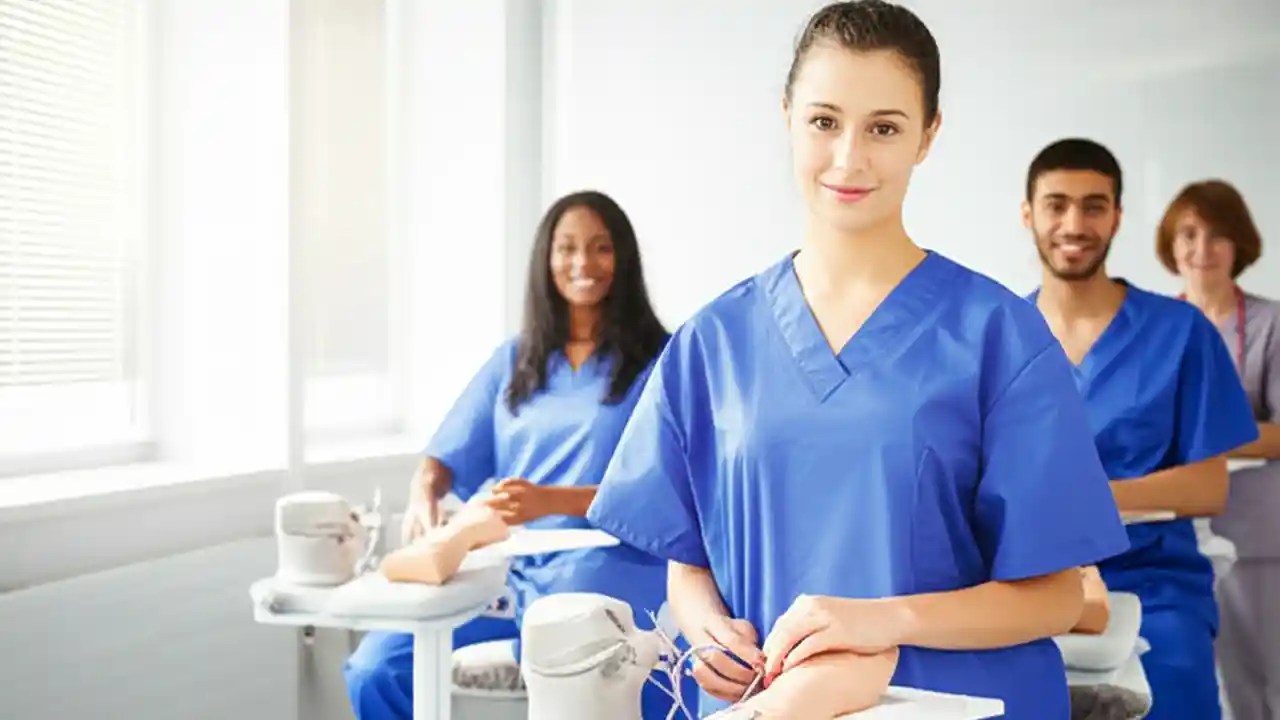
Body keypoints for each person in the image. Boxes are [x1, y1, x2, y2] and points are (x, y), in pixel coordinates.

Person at [586, 2, 1131, 717]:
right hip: (769, 701)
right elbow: (686, 559)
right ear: (786, 115)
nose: (849, 157)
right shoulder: (713, 341)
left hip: (953, 700)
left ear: (928, 136)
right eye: (824, 121)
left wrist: (886, 623)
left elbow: (1060, 595)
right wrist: (703, 625)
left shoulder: (1000, 335)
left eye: (883, 127)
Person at [343, 190, 694, 719]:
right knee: (375, 667)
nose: (583, 263)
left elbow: (667, 488)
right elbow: (443, 458)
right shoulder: (514, 360)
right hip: (509, 568)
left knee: (579, 659)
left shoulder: (662, 362)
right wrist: (423, 494)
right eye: (567, 248)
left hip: (604, 562)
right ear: (546, 259)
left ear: (623, 258)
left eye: (601, 248)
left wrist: (548, 499)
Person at [1023, 140, 1260, 720]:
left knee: (1171, 687)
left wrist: (1090, 502)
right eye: (1056, 205)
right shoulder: (998, 337)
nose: (1074, 224)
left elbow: (1208, 488)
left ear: (1118, 217)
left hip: (1153, 583)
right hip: (1024, 584)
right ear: (1028, 214)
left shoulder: (1180, 333)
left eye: (1094, 205)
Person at [1156, 179, 1280, 720]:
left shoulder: (1272, 324)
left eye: (1217, 235)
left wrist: (1200, 430)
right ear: (1170, 244)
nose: (1201, 249)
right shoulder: (1155, 327)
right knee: (1182, 679)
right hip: (1169, 533)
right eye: (1188, 234)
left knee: (1258, 678)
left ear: (1240, 246)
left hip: (1255, 535)